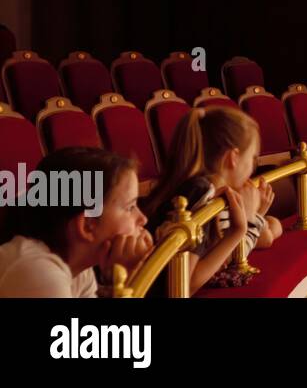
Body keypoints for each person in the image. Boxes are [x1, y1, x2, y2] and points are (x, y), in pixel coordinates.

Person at [144, 107, 281, 291]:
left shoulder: (204, 189)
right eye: (253, 159)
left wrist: (254, 216)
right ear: (233, 157)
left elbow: (266, 236)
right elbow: (186, 284)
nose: (252, 168)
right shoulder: (200, 192)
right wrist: (241, 228)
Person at [0, 147, 154, 297]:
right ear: (88, 225)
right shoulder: (38, 274)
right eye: (130, 207)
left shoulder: (80, 271)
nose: (143, 219)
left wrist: (116, 278)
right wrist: (129, 281)